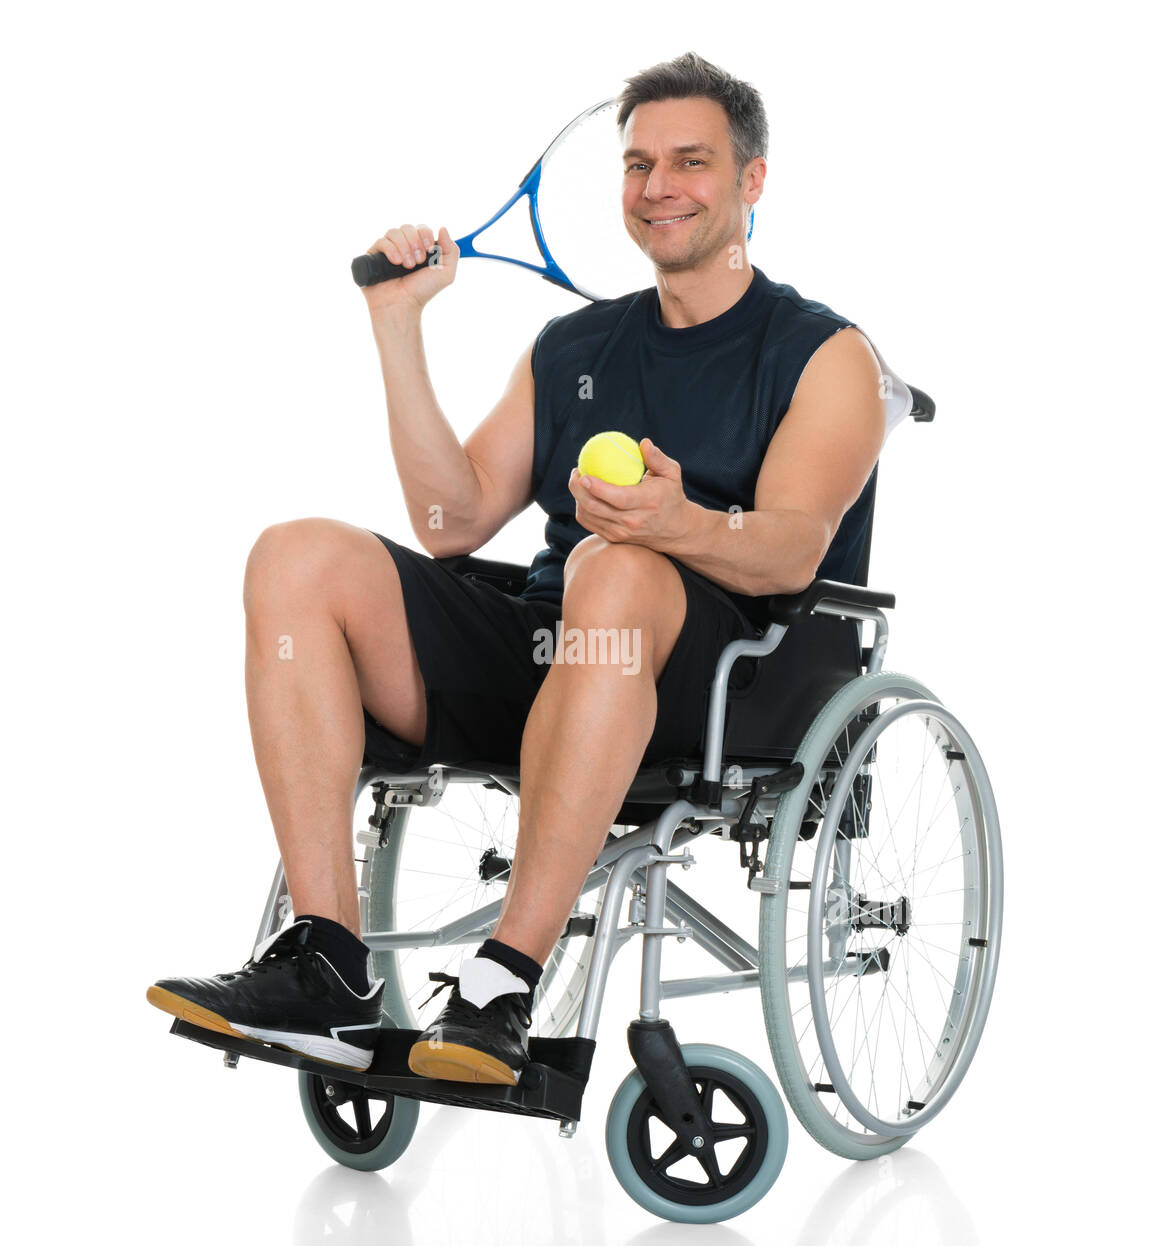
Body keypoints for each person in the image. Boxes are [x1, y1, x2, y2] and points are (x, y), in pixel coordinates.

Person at [147, 52, 911, 1084]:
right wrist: (398, 326)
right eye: (637, 164)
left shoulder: (825, 356)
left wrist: (676, 522)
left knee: (616, 567)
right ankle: (326, 962)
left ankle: (504, 980)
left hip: (726, 683)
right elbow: (447, 517)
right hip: (558, 653)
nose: (656, 187)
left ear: (751, 181)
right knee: (294, 556)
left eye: (689, 162)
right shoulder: (573, 348)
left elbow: (792, 546)